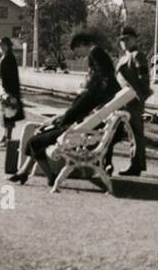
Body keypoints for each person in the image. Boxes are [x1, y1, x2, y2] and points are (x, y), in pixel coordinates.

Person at [9, 33, 116, 185]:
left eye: (77, 51)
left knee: (35, 140)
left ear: (81, 44)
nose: (80, 56)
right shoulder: (94, 95)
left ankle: (41, 176)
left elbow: (73, 114)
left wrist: (58, 120)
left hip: (70, 132)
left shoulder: (94, 60)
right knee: (38, 136)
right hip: (76, 129)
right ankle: (26, 173)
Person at [112, 26, 152, 177]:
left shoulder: (137, 56)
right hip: (122, 100)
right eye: (122, 40)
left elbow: (144, 79)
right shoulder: (124, 57)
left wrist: (140, 97)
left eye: (127, 39)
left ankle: (136, 165)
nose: (124, 42)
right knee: (118, 133)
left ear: (135, 39)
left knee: (135, 134)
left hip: (132, 100)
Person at [0, 37, 23, 148]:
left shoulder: (9, 58)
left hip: (8, 91)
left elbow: (10, 77)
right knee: (5, 115)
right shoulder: (4, 57)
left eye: (3, 45)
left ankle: (8, 139)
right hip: (3, 90)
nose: (0, 47)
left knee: (9, 115)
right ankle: (5, 137)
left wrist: (9, 93)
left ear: (8, 46)